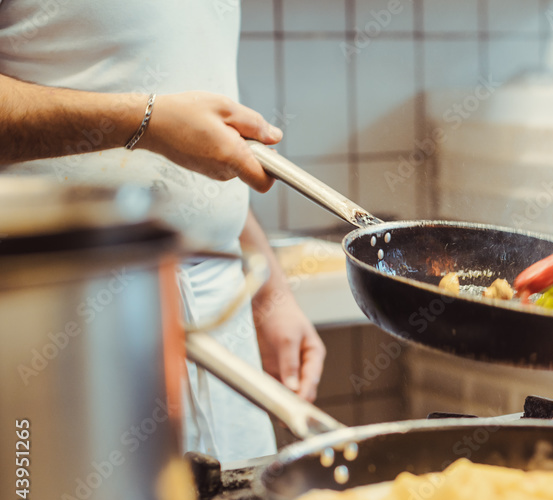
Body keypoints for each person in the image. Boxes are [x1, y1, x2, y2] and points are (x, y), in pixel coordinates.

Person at [0, 1, 325, 463]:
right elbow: (163, 119)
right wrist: (145, 120)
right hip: (66, 316)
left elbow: (195, 143)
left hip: (222, 320)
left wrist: (269, 287)